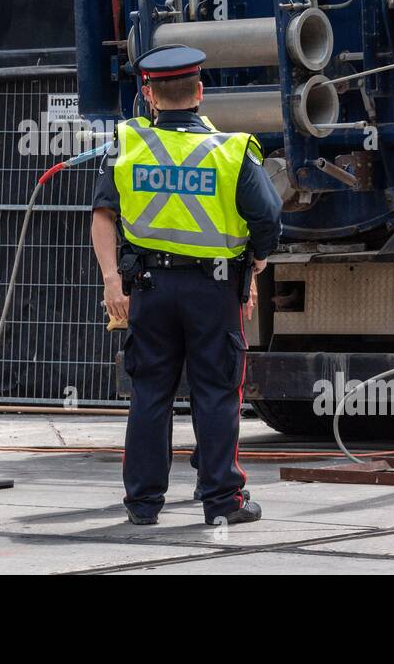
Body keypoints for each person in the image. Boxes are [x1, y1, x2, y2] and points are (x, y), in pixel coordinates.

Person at [90, 44, 283, 526]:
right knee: (216, 392)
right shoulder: (230, 150)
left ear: (149, 95)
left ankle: (142, 505)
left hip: (149, 290)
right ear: (200, 92)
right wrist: (256, 260)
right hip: (213, 292)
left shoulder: (128, 143)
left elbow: (102, 216)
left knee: (150, 392)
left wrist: (113, 279)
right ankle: (221, 501)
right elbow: (268, 216)